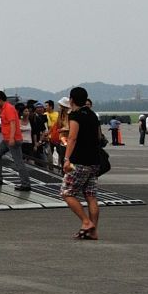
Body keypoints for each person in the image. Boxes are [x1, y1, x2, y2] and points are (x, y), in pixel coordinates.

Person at [60, 86, 107, 240]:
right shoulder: (92, 115)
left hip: (79, 161)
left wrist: (67, 159)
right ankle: (93, 231)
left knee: (67, 192)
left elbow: (72, 137)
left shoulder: (75, 115)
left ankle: (86, 222)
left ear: (71, 100)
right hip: (94, 161)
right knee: (91, 196)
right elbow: (99, 136)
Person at [0, 92, 34, 192]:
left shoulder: (9, 108)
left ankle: (26, 184)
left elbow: (13, 124)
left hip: (13, 139)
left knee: (18, 162)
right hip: (7, 139)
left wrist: (12, 138)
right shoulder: (5, 108)